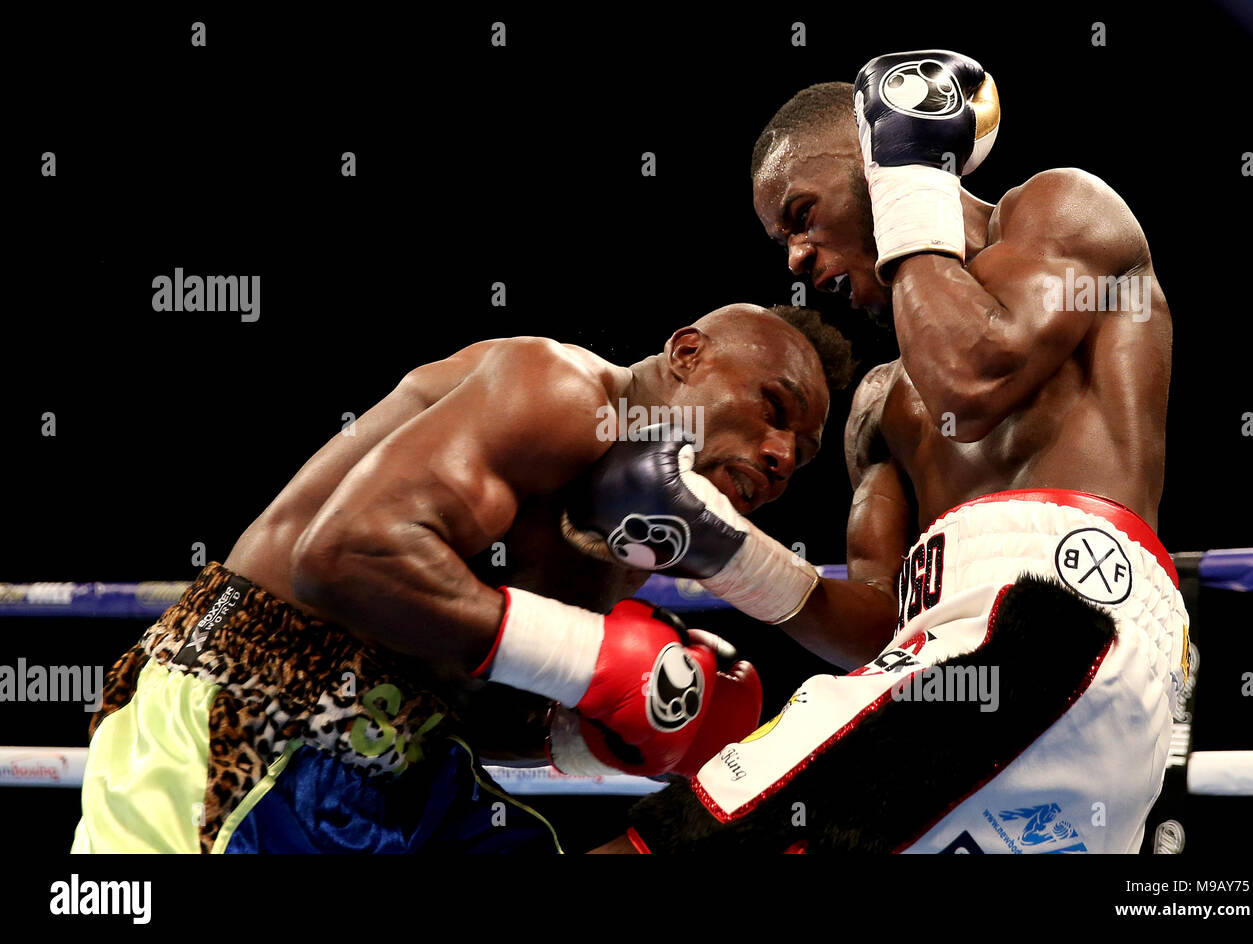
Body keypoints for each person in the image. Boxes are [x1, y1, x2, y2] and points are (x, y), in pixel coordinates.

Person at [588, 51, 1188, 853]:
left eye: (801, 215)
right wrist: (722, 551)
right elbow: (883, 624)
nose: (797, 258)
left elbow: (975, 379)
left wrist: (912, 184)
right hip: (966, 675)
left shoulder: (1061, 209)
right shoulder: (877, 407)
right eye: (782, 242)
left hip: (1062, 624)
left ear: (873, 159)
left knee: (682, 837)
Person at [71, 302, 850, 853]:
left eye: (803, 456)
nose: (782, 457)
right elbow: (345, 554)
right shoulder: (561, 390)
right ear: (687, 355)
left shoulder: (631, 538)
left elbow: (470, 688)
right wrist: (594, 661)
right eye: (772, 408)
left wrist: (587, 740)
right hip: (241, 709)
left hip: (406, 764)